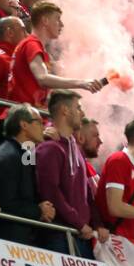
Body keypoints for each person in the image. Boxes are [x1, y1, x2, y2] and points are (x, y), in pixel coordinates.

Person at [36, 90, 104, 257]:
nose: (82, 113)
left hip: (80, 233)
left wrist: (97, 223)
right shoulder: (50, 147)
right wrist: (80, 223)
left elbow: (87, 191)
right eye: (78, 107)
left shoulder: (74, 147)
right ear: (65, 110)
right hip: (59, 234)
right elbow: (51, 192)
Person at [0, 104, 57, 245]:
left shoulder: (22, 154)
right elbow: (4, 203)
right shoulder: (8, 157)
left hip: (17, 238)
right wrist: (38, 211)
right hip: (5, 240)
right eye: (39, 122)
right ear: (24, 125)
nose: (44, 127)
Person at [7, 2, 103, 108]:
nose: (61, 24)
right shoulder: (32, 44)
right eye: (57, 19)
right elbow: (42, 78)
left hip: (29, 113)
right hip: (23, 118)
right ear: (45, 21)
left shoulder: (36, 46)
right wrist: (82, 83)